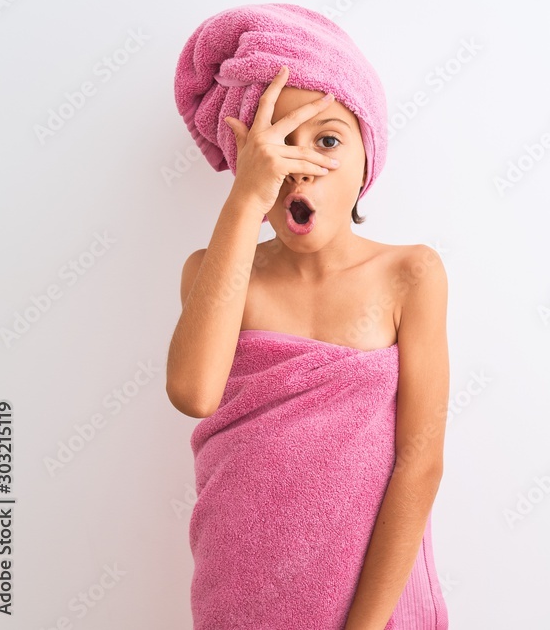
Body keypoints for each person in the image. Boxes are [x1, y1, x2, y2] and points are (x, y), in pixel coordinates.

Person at [168, 40, 450, 628]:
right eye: (272, 143)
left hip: (372, 595)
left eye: (326, 140)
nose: (296, 166)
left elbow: (419, 464)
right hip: (240, 579)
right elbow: (194, 394)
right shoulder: (213, 272)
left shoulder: (410, 274)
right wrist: (245, 202)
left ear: (366, 156)